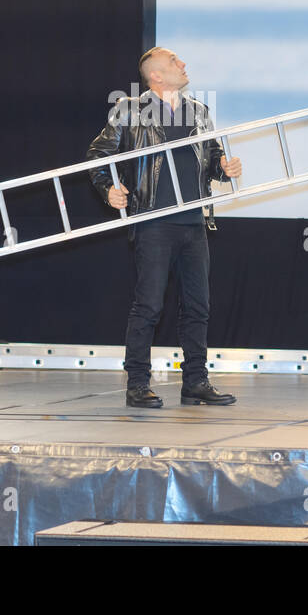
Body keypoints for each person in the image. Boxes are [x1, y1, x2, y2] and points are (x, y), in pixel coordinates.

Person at [86, 47, 243, 409]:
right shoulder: (129, 109)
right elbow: (97, 156)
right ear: (155, 75)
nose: (183, 64)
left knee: (198, 306)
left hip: (194, 222)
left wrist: (224, 167)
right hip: (153, 221)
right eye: (174, 61)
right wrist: (108, 189)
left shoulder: (199, 111)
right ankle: (138, 384)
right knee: (149, 306)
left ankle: (196, 382)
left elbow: (211, 157)